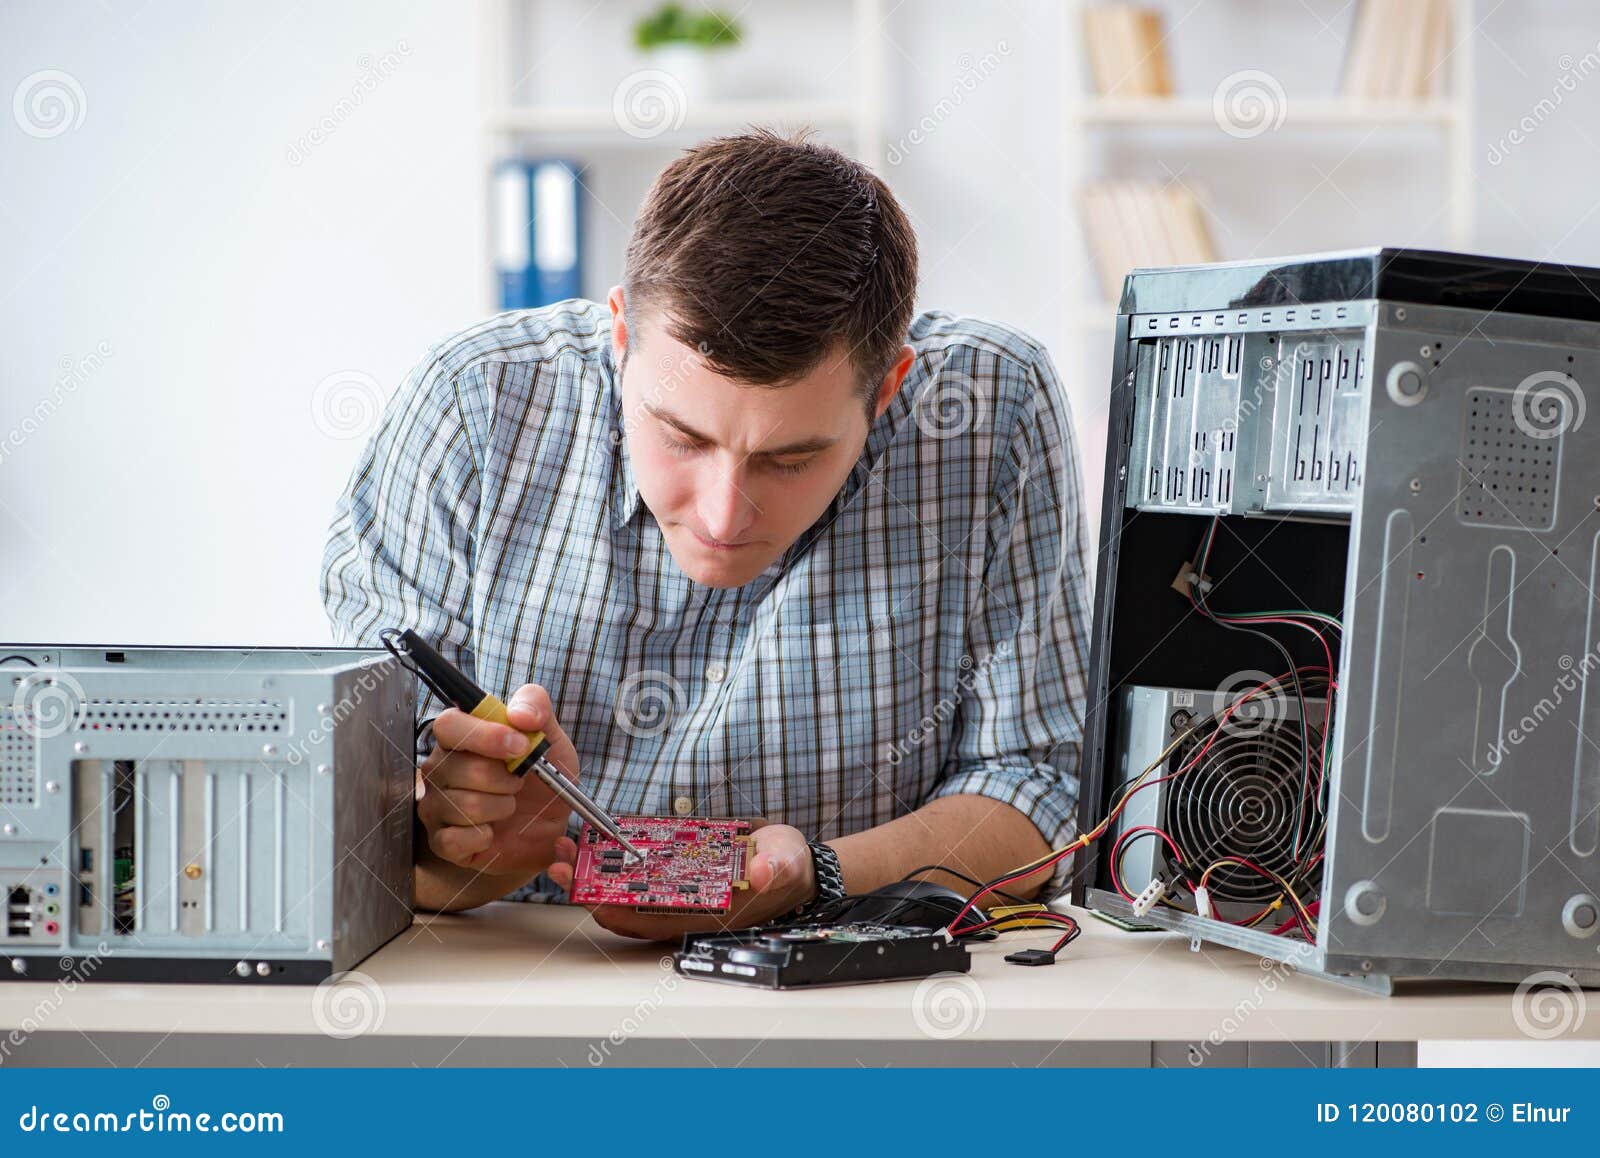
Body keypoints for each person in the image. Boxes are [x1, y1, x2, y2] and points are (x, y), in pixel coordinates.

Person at [321, 128, 1092, 940]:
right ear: (620, 337)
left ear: (888, 388)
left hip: (849, 995)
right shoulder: (472, 405)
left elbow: (1040, 785)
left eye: (791, 457)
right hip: (509, 982)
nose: (724, 517)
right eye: (682, 437)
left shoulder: (992, 409)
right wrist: (480, 853)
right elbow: (359, 834)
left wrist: (818, 876)